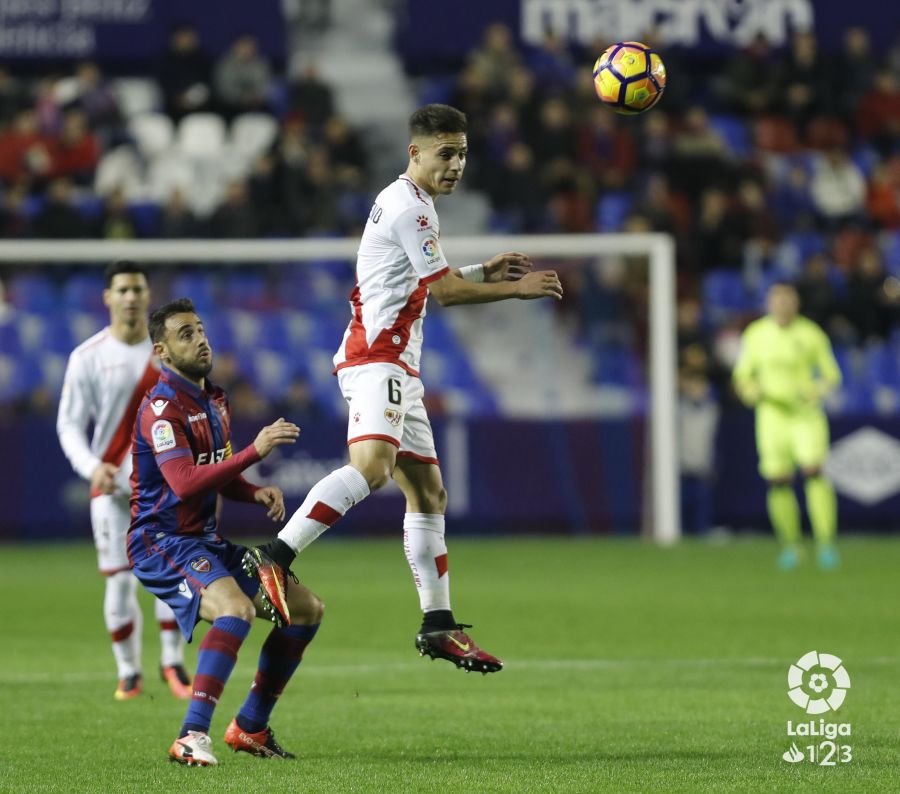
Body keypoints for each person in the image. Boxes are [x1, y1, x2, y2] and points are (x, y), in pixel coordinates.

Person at [249, 103, 563, 673]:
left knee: (428, 493)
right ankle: (273, 557)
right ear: (414, 152)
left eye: (463, 153)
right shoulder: (410, 209)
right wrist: (515, 291)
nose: (457, 164)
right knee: (371, 468)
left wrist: (480, 273)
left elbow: (418, 281)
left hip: (397, 363)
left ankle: (438, 624)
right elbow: (441, 293)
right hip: (378, 358)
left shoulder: (411, 204)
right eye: (446, 153)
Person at [128, 298, 321, 766]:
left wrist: (251, 492)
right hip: (161, 541)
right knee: (236, 610)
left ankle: (250, 726)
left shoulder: (215, 399)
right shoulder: (160, 408)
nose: (200, 340)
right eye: (185, 334)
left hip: (205, 540)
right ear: (162, 351)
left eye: (200, 330)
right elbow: (183, 481)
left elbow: (215, 471)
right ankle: (190, 736)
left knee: (305, 609)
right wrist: (255, 451)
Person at [57, 261, 191, 700]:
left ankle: (173, 663)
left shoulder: (169, 355)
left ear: (148, 296)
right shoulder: (88, 357)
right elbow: (70, 425)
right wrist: (91, 467)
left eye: (137, 288)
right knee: (118, 580)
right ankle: (129, 672)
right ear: (108, 298)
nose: (130, 297)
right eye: (122, 289)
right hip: (111, 487)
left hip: (165, 488)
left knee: (171, 576)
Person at [732, 283, 842, 570]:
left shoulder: (811, 333)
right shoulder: (756, 334)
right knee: (778, 480)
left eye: (787, 300)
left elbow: (831, 374)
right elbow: (742, 375)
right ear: (769, 304)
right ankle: (791, 545)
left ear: (796, 303)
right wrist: (749, 391)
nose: (782, 306)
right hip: (771, 415)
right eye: (777, 300)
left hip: (805, 414)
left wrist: (817, 390)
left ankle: (825, 544)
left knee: (813, 471)